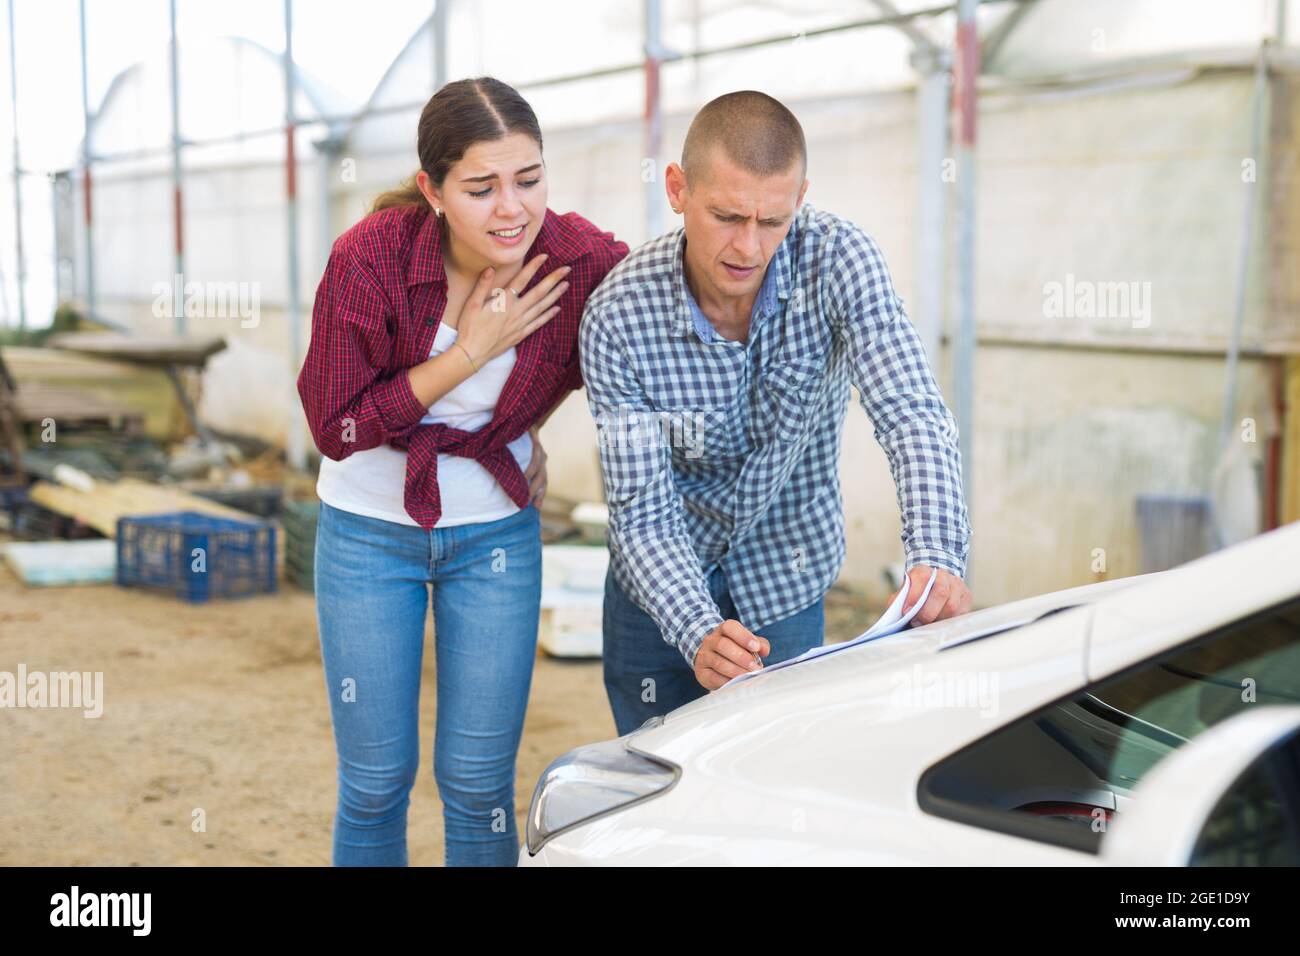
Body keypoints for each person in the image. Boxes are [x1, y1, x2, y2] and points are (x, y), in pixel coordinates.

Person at [297, 76, 627, 865]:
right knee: (376, 781)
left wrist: (525, 425)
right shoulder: (369, 260)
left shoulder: (577, 260)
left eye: (530, 179)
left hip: (495, 537)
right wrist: (468, 352)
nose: (512, 208)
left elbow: (656, 304)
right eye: (481, 188)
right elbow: (336, 425)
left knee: (479, 783)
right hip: (370, 531)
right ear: (432, 191)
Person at [580, 90, 972, 736]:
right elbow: (642, 511)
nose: (750, 247)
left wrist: (937, 552)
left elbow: (911, 412)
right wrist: (697, 629)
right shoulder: (618, 315)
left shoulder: (839, 260)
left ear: (802, 196)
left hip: (785, 578)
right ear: (677, 189)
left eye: (773, 221)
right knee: (655, 792)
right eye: (727, 216)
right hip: (656, 602)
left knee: (777, 786)